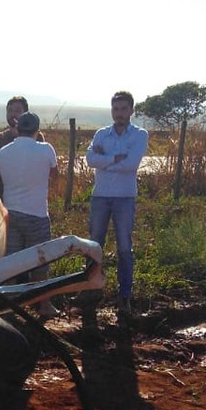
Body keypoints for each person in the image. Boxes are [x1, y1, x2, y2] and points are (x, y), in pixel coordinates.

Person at [85, 90, 148, 316]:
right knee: (94, 245)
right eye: (115, 109)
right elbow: (90, 159)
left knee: (123, 247)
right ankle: (90, 289)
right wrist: (113, 158)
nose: (119, 113)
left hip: (124, 197)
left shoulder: (139, 135)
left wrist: (104, 161)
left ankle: (124, 295)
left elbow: (131, 165)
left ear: (131, 110)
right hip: (100, 195)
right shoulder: (102, 134)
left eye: (123, 109)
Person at [0, 112, 60, 317]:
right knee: (41, 263)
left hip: (10, 212)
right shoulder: (46, 149)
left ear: (17, 128)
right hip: (37, 214)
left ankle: (9, 307)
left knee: (11, 263)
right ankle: (43, 305)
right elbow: (55, 177)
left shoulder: (4, 151)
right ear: (37, 131)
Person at [0, 96, 45, 196]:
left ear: (26, 113)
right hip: (1, 197)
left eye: (17, 111)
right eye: (10, 110)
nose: (13, 114)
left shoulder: (37, 138)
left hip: (29, 198)